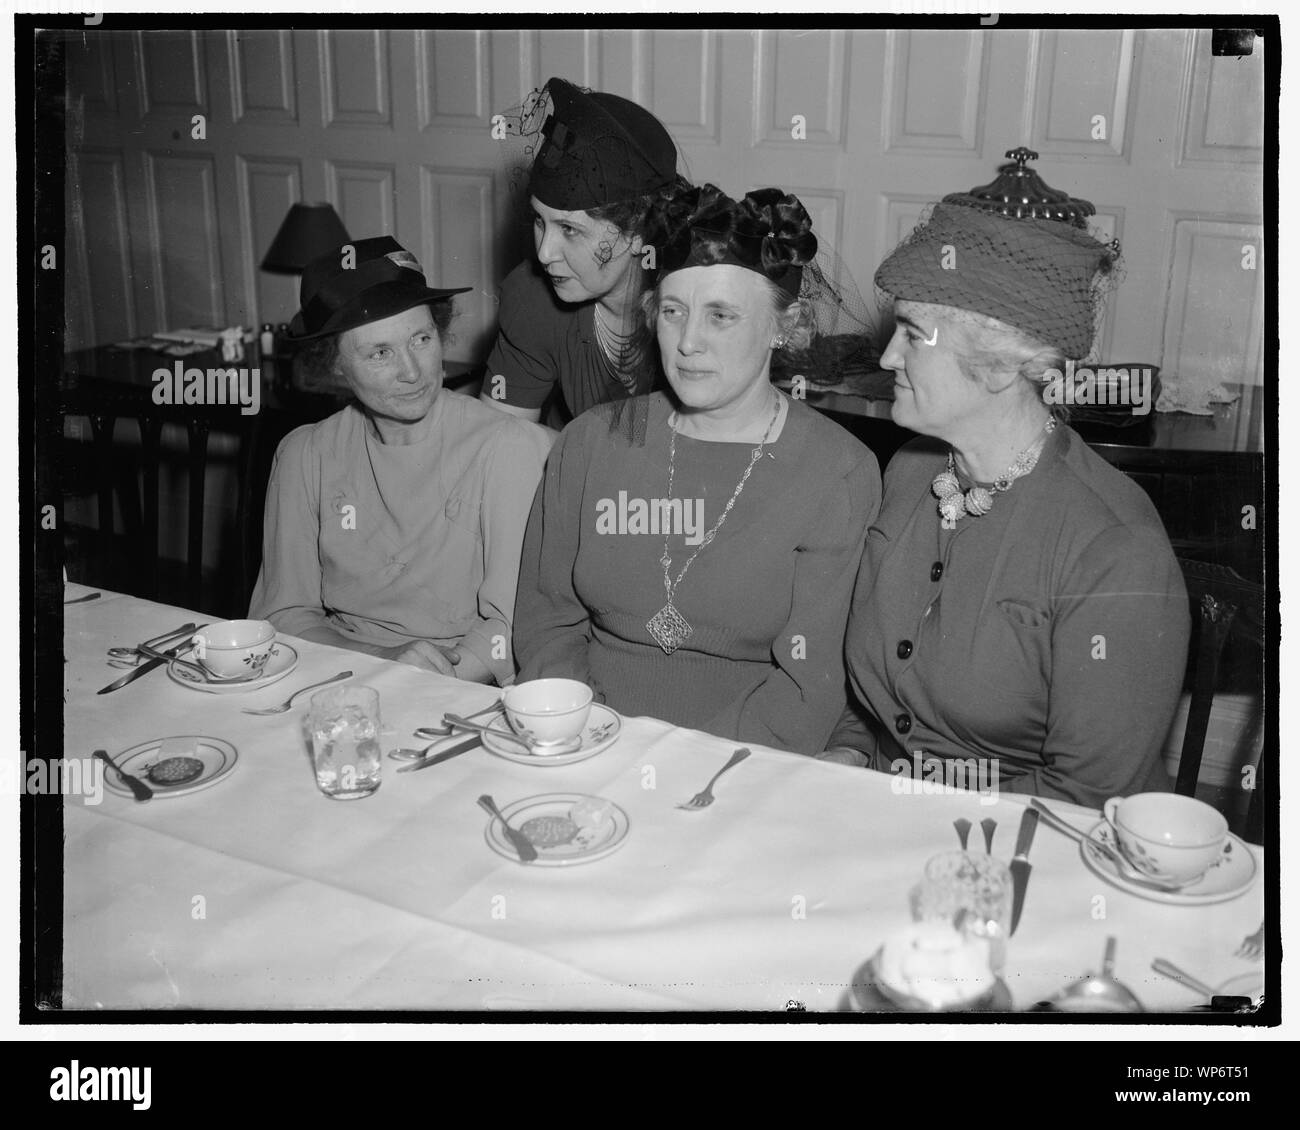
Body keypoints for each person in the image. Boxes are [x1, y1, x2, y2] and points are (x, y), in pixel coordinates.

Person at [826, 157, 1190, 806]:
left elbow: (1087, 800)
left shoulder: (1112, 548)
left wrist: (912, 814)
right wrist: (851, 752)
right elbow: (872, 697)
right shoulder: (911, 469)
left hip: (1021, 857)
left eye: (911, 334)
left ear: (998, 367)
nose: (886, 357)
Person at [513, 185, 882, 754]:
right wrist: (580, 730)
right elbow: (547, 622)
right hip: (586, 739)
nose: (688, 343)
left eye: (721, 316)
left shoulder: (836, 470)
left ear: (786, 327)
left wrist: (689, 770)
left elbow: (813, 681)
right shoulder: (590, 442)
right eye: (673, 312)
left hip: (747, 761)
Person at [250, 236, 553, 684]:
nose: (412, 371)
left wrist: (413, 683)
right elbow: (286, 616)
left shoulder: (507, 449)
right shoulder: (305, 454)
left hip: (461, 685)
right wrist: (380, 662)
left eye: (421, 339)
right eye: (380, 353)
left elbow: (508, 631)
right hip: (339, 674)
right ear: (334, 365)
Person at [481, 76, 690, 427]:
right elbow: (496, 445)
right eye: (539, 220)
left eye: (569, 229)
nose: (545, 253)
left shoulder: (698, 311)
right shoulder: (535, 299)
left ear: (639, 232)